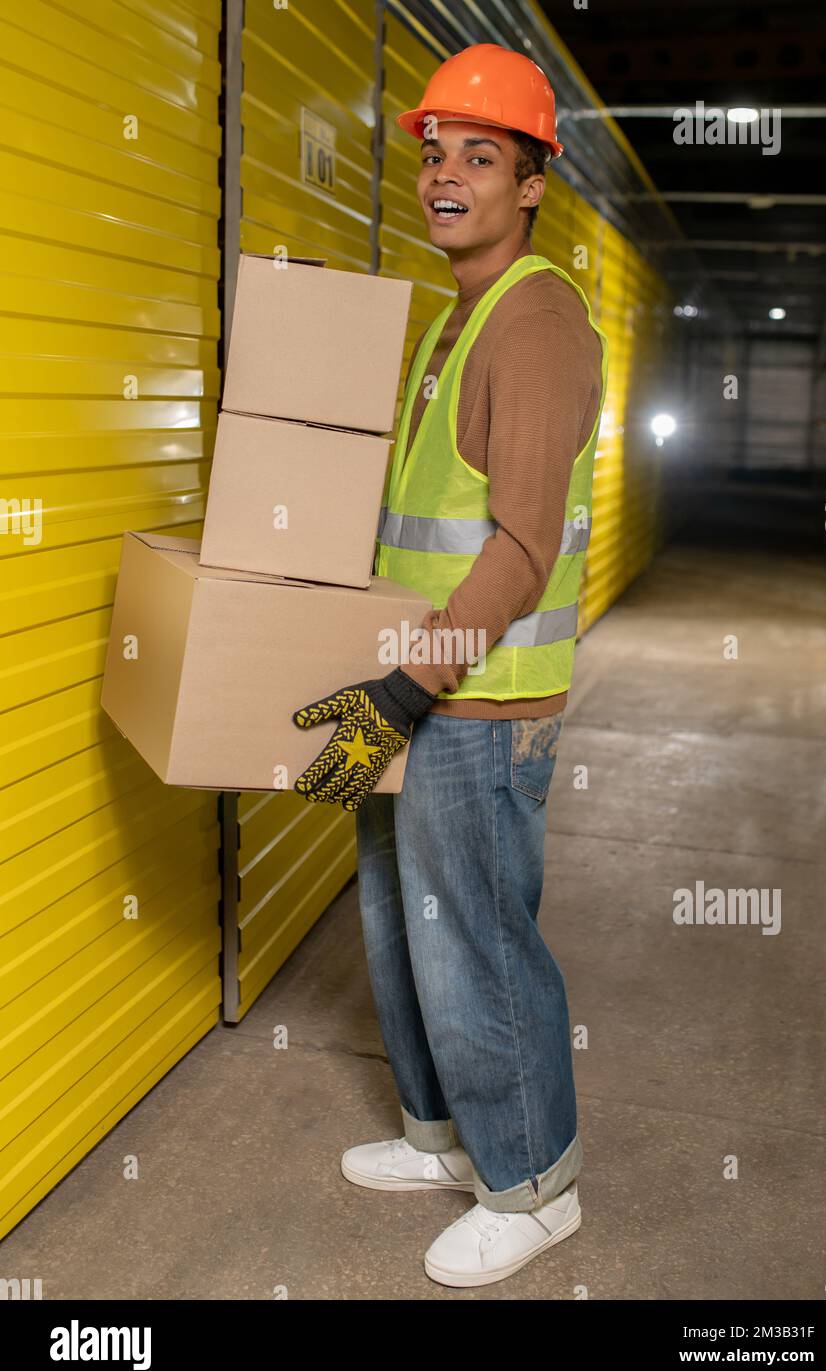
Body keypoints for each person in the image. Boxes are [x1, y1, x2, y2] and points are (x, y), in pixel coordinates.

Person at [292, 42, 608, 1288]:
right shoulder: (457, 313)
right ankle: (446, 1138)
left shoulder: (534, 321)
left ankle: (533, 1184)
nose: (446, 175)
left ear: (532, 182)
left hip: (479, 702)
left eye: (481, 156)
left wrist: (404, 690)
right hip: (422, 687)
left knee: (475, 936)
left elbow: (523, 547)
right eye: (434, 152)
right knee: (401, 926)